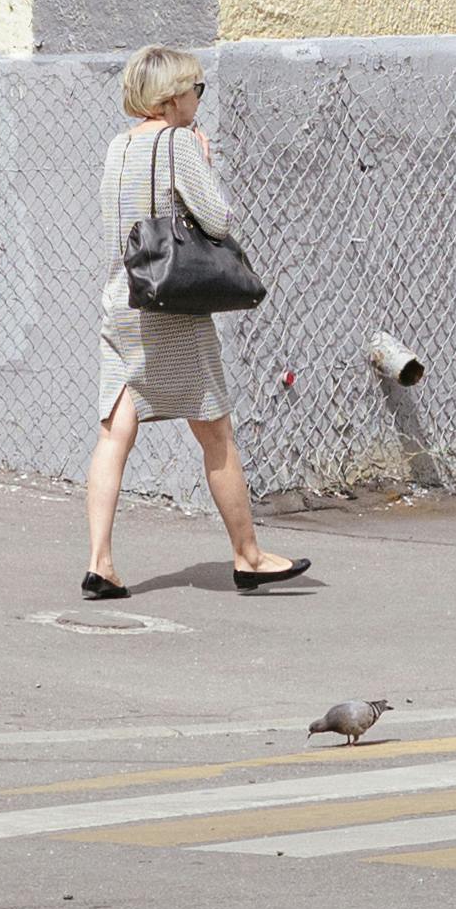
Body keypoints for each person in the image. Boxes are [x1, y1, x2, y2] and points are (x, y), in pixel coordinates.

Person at [83, 45, 313, 600]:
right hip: (172, 309)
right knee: (216, 431)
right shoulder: (179, 143)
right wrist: (202, 164)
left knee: (114, 432)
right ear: (171, 97)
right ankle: (249, 556)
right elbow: (218, 219)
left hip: (124, 301)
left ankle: (100, 563)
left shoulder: (118, 146)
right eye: (195, 89)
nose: (198, 99)